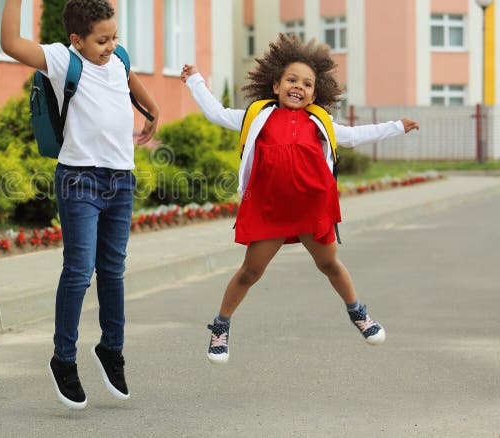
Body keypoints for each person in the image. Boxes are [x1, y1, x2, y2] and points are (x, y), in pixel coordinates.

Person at [179, 33, 419, 364]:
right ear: (275, 85)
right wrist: (195, 81)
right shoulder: (256, 117)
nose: (298, 87)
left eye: (306, 84)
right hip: (271, 210)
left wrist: (396, 126)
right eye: (291, 80)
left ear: (315, 94)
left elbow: (354, 136)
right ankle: (221, 326)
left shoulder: (319, 122)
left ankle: (357, 311)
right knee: (250, 272)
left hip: (311, 209)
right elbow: (217, 113)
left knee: (329, 264)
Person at [0, 0, 160, 408]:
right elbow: (12, 43)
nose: (110, 46)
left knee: (113, 271)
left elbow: (130, 79)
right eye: (101, 41)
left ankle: (111, 349)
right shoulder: (60, 60)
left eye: (114, 37)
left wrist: (153, 111)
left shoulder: (118, 57)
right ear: (77, 39)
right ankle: (63, 359)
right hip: (79, 181)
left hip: (120, 182)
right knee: (78, 271)